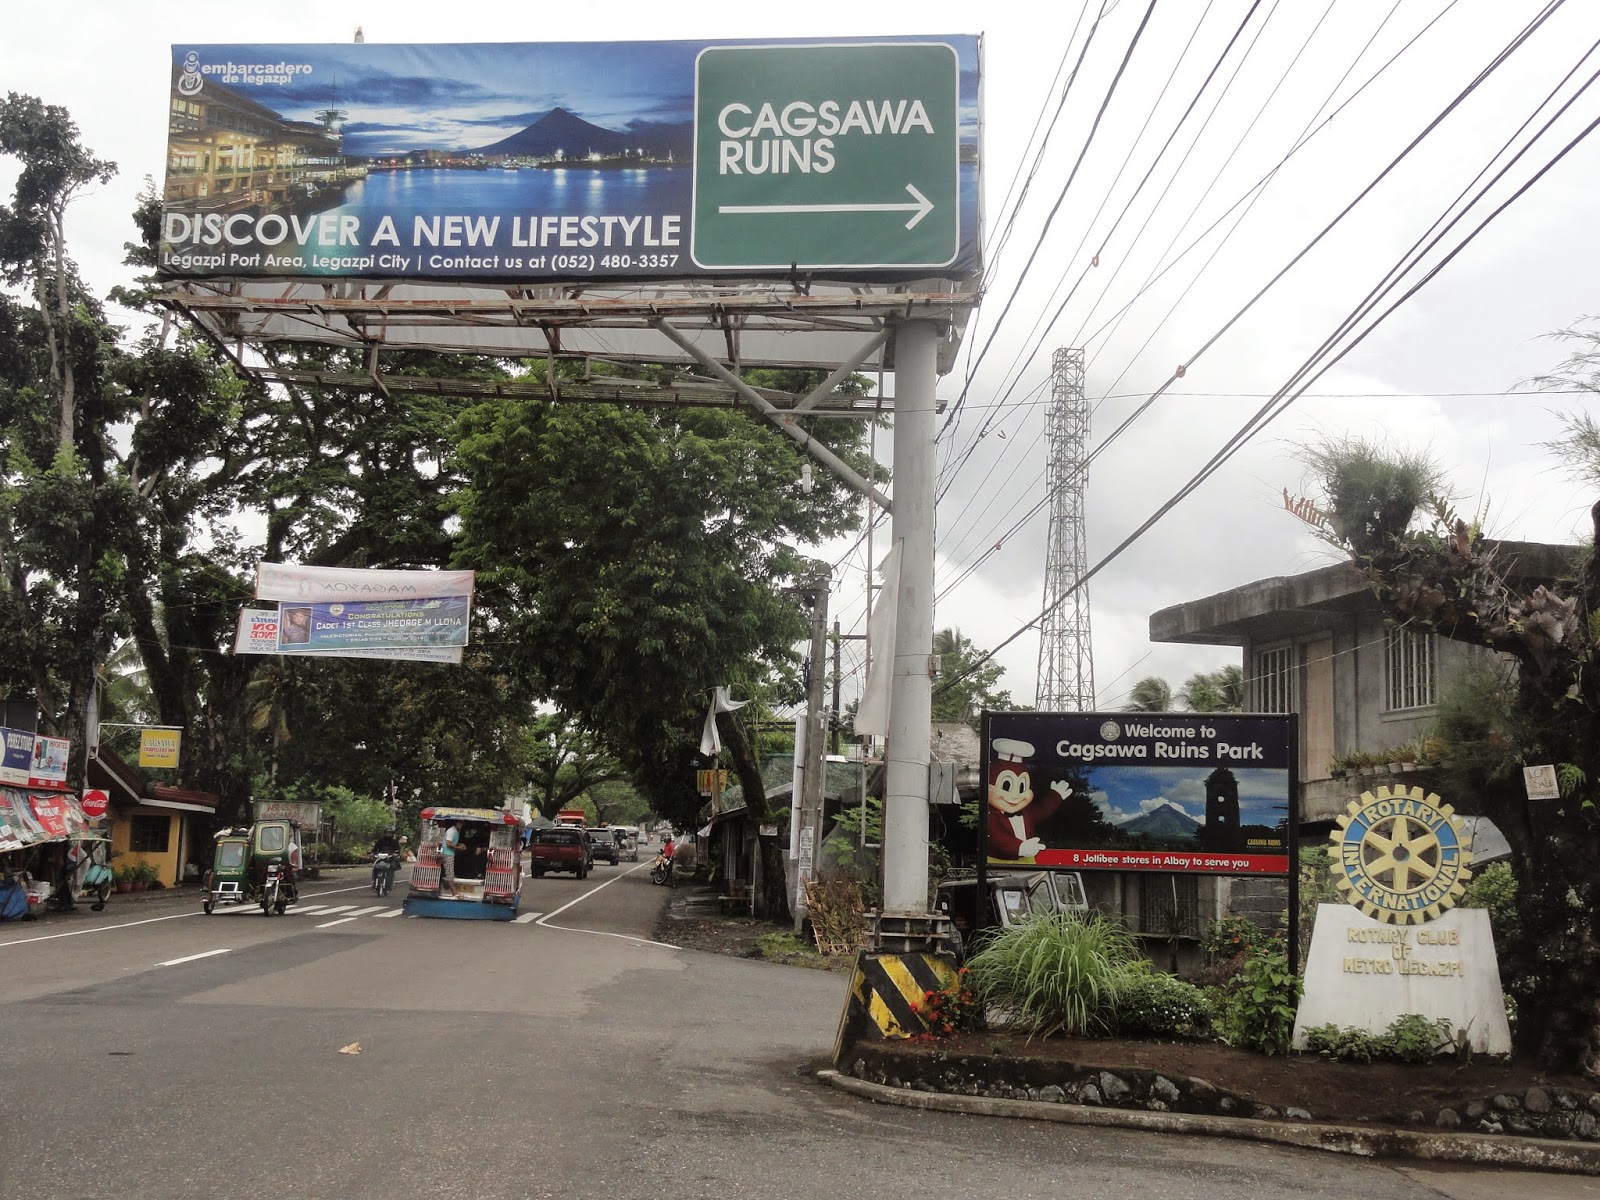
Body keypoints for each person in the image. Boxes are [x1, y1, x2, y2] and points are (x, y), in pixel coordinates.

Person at [439, 820, 462, 899]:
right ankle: (454, 892)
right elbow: (448, 843)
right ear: (456, 823)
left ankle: (447, 885)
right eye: (460, 823)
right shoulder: (452, 831)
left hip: (450, 853)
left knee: (449, 872)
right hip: (447, 853)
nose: (461, 825)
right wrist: (458, 847)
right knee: (450, 873)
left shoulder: (455, 831)